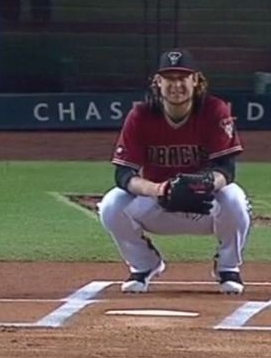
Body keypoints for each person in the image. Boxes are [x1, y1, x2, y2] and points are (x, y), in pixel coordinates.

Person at [98, 49, 252, 294]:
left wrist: (205, 183)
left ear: (195, 81)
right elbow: (123, 175)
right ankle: (144, 265)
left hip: (204, 204)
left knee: (234, 198)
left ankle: (228, 267)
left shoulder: (214, 110)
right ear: (158, 82)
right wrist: (160, 189)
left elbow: (227, 169)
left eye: (183, 77)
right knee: (111, 204)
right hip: (158, 203)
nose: (176, 84)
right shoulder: (141, 115)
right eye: (169, 78)